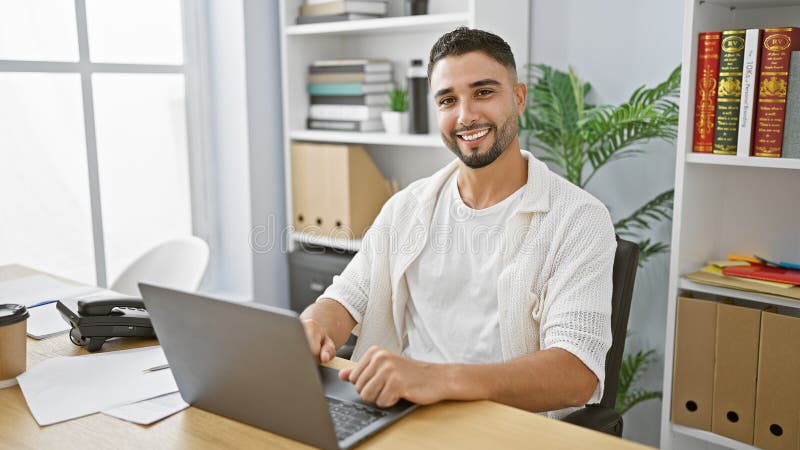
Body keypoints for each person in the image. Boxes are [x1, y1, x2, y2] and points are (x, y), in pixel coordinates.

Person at [300, 27, 616, 419]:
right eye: (448, 100)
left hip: (506, 430)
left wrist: (440, 380)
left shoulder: (578, 219)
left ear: (518, 99)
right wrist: (313, 327)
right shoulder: (407, 207)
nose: (465, 116)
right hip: (400, 416)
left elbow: (577, 374)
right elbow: (345, 298)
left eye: (483, 92)